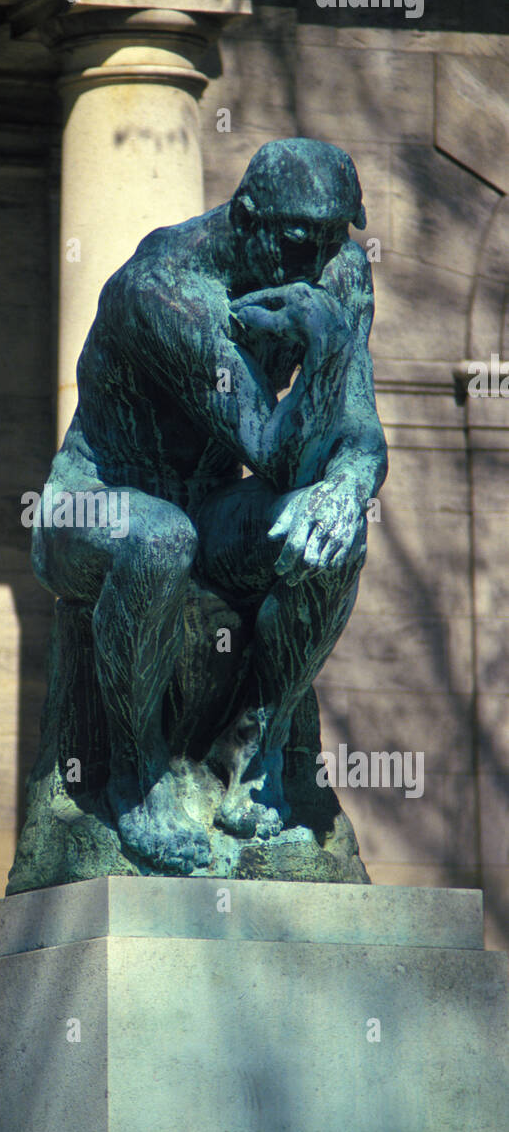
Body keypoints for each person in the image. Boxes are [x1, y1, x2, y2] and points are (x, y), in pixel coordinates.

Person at [32, 138, 388, 873]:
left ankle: (260, 748)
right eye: (299, 242)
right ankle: (138, 779)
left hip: (213, 507)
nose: (318, 262)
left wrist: (348, 489)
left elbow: (358, 429)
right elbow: (276, 450)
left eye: (334, 238)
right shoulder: (165, 290)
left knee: (335, 532)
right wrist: (322, 349)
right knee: (159, 540)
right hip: (96, 503)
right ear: (249, 221)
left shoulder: (335, 269)